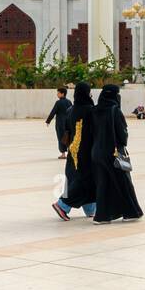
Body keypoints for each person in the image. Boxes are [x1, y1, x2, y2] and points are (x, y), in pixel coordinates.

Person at [91, 83, 142, 223]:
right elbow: (122, 135)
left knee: (103, 185)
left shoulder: (95, 110)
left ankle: (102, 216)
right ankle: (131, 212)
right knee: (124, 183)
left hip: (96, 152)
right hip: (112, 153)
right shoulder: (114, 110)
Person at [52, 82, 97, 220]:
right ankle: (62, 205)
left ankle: (90, 208)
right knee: (85, 179)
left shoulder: (71, 109)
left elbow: (68, 129)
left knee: (74, 178)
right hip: (85, 151)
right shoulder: (90, 110)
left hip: (73, 149)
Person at [45, 85, 73, 156]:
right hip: (68, 123)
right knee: (69, 137)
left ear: (62, 94)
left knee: (61, 137)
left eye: (58, 93)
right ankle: (70, 152)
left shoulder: (58, 102)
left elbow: (53, 112)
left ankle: (63, 154)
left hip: (60, 123)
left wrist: (48, 121)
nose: (57, 94)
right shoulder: (69, 102)